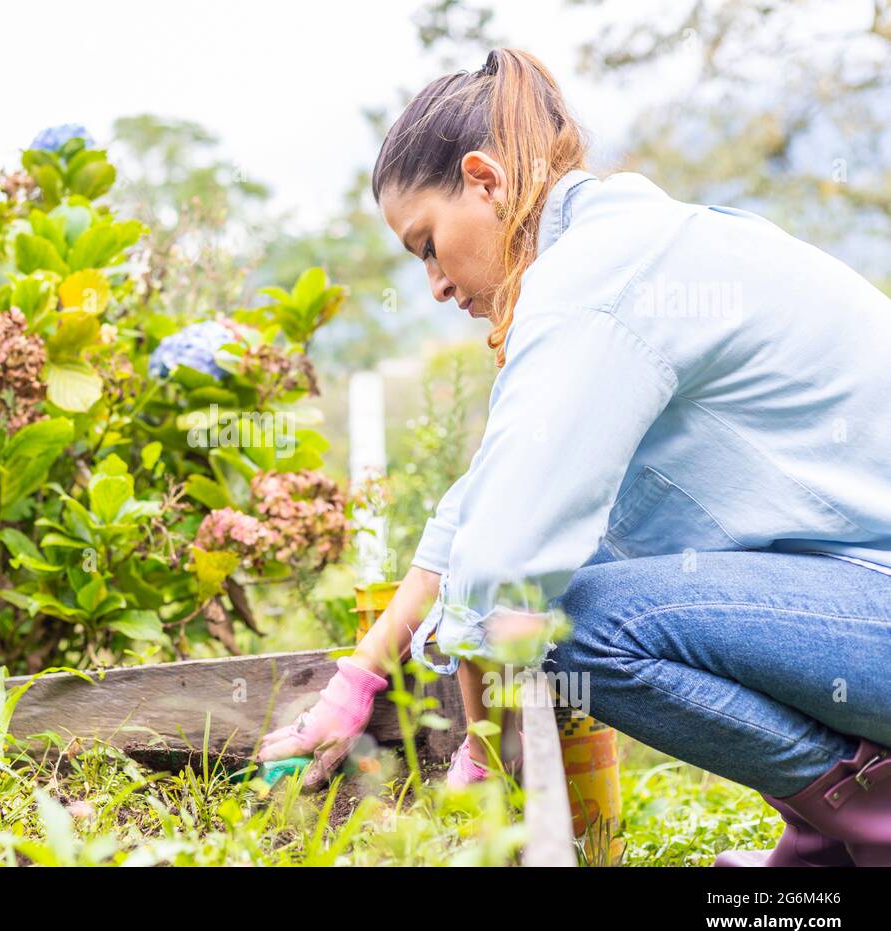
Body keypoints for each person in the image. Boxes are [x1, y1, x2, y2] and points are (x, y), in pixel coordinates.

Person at [256, 47, 891, 867]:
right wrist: (356, 683)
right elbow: (482, 504)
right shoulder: (618, 249)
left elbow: (503, 564)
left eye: (425, 245)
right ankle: (825, 842)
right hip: (863, 599)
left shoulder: (598, 280)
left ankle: (871, 816)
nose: (436, 286)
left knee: (570, 624)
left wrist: (484, 755)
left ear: (484, 180)